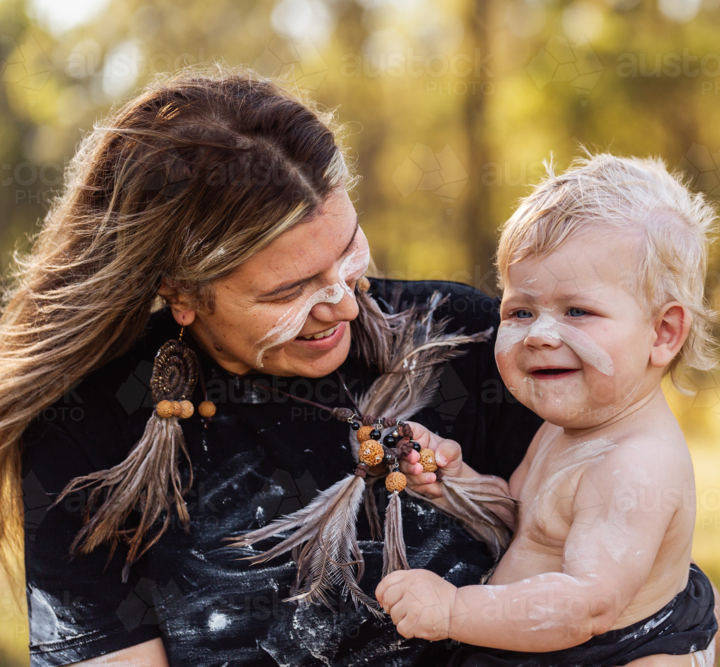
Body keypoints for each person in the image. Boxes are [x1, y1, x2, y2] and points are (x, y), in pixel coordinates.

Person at [1, 65, 544, 666]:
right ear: (180, 292)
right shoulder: (90, 421)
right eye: (289, 291)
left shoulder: (472, 340)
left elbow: (640, 599)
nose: (343, 303)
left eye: (347, 252)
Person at [377, 154, 720, 666]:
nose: (539, 335)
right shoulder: (565, 432)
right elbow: (525, 519)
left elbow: (585, 606)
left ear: (663, 333)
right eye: (520, 311)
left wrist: (453, 610)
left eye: (577, 311)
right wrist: (454, 482)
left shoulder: (634, 463)